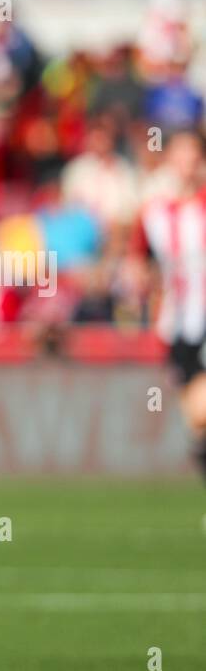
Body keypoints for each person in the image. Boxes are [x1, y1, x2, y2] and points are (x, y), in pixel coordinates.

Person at [133, 128, 206, 480]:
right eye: (180, 158)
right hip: (178, 323)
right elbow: (139, 261)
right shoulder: (155, 213)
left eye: (193, 159)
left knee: (201, 408)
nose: (187, 166)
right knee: (196, 420)